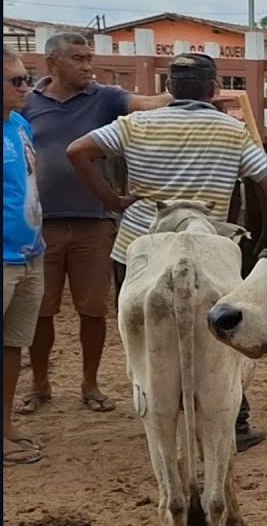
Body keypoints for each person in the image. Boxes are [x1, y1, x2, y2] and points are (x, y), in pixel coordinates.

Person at [65, 52, 267, 452]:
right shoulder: (232, 131)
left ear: (169, 88)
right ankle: (234, 423)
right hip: (209, 249)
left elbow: (77, 151)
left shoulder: (135, 124)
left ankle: (159, 418)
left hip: (141, 247)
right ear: (214, 89)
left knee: (146, 339)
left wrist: (112, 200)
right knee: (221, 339)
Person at [15, 32, 175, 418]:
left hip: (94, 222)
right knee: (40, 310)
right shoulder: (28, 102)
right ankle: (39, 384)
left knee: (92, 310)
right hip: (40, 225)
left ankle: (90, 383)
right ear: (52, 63)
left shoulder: (106, 98)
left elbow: (147, 104)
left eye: (90, 57)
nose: (88, 65)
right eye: (78, 58)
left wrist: (185, 91)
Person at [3, 47, 46, 465]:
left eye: (26, 78)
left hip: (29, 253)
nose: (25, 88)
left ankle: (5, 426)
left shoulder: (19, 125)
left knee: (13, 344)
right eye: (16, 81)